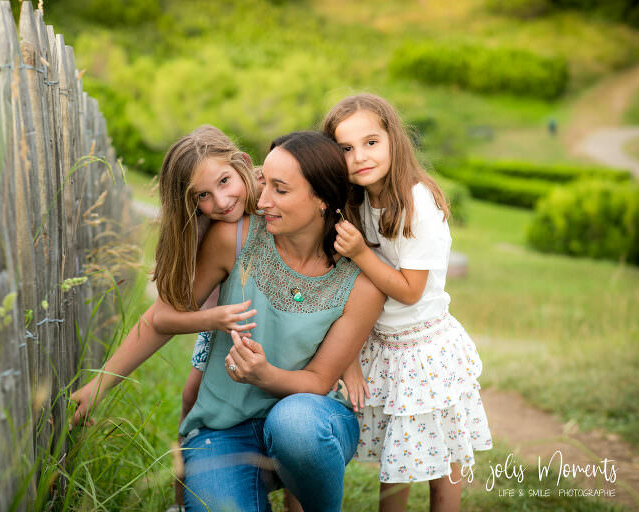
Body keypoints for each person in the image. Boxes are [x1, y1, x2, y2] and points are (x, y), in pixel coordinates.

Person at [153, 131, 385, 512]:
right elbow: (162, 315)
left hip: (309, 421)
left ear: (323, 199)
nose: (260, 201)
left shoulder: (360, 283)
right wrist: (100, 385)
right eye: (264, 185)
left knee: (294, 424)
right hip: (226, 429)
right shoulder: (237, 236)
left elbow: (318, 383)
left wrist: (262, 374)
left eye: (280, 189)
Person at [322, 93, 493, 512]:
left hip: (425, 350)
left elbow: (409, 290)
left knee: (441, 465)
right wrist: (351, 361)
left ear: (393, 139)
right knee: (396, 463)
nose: (360, 156)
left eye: (370, 142)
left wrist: (361, 252)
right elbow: (340, 286)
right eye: (346, 148)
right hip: (384, 344)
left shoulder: (417, 202)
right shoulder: (356, 202)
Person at [69, 124, 259, 431]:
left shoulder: (277, 193)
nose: (222, 202)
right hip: (224, 320)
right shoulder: (204, 227)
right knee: (192, 396)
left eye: (225, 181)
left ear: (243, 164)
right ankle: (184, 472)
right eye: (203, 195)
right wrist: (100, 383)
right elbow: (161, 316)